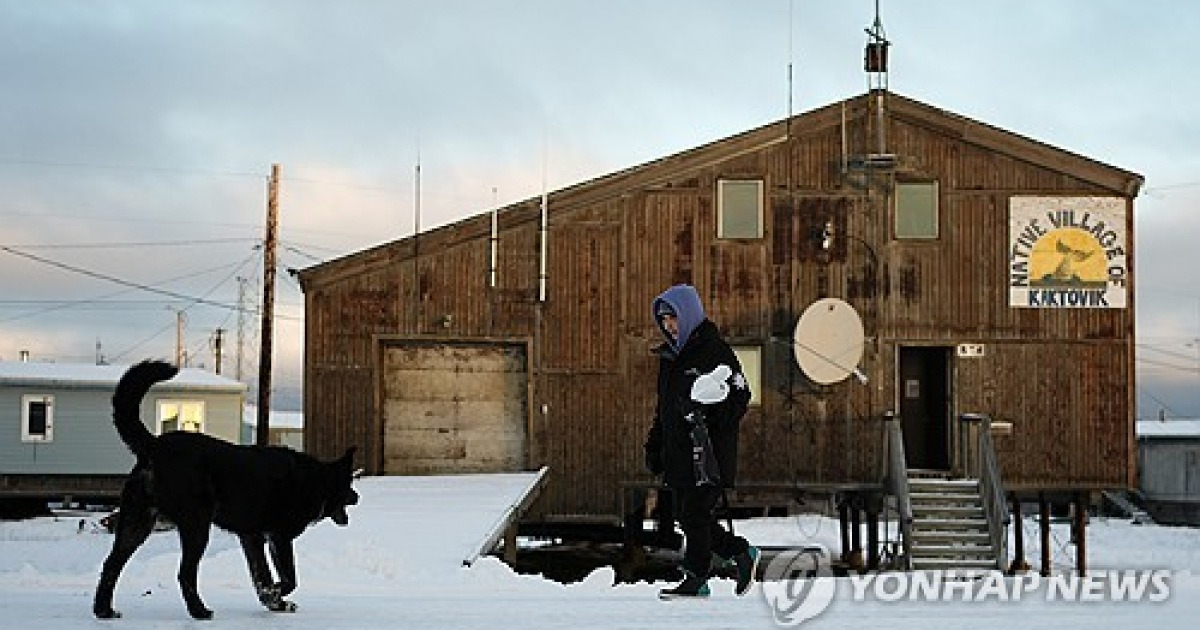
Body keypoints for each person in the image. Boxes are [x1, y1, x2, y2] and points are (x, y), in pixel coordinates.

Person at [643, 284, 759, 599]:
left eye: (674, 318)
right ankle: (740, 552)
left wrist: (707, 409)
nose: (669, 326)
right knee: (688, 515)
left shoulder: (715, 351)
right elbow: (663, 411)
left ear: (689, 315)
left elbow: (739, 399)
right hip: (679, 453)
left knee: (694, 512)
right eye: (664, 320)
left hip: (708, 453)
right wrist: (655, 447)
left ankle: (697, 577)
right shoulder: (670, 359)